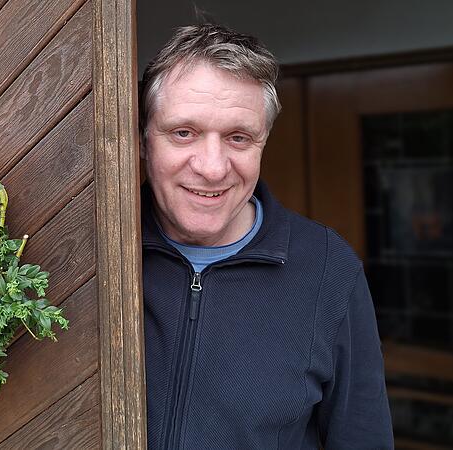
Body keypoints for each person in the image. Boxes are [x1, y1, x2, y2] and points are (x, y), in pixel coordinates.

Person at [139, 23, 394, 449]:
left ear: (263, 142)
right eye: (184, 133)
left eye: (238, 138)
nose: (212, 167)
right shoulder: (94, 251)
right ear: (143, 140)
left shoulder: (328, 268)